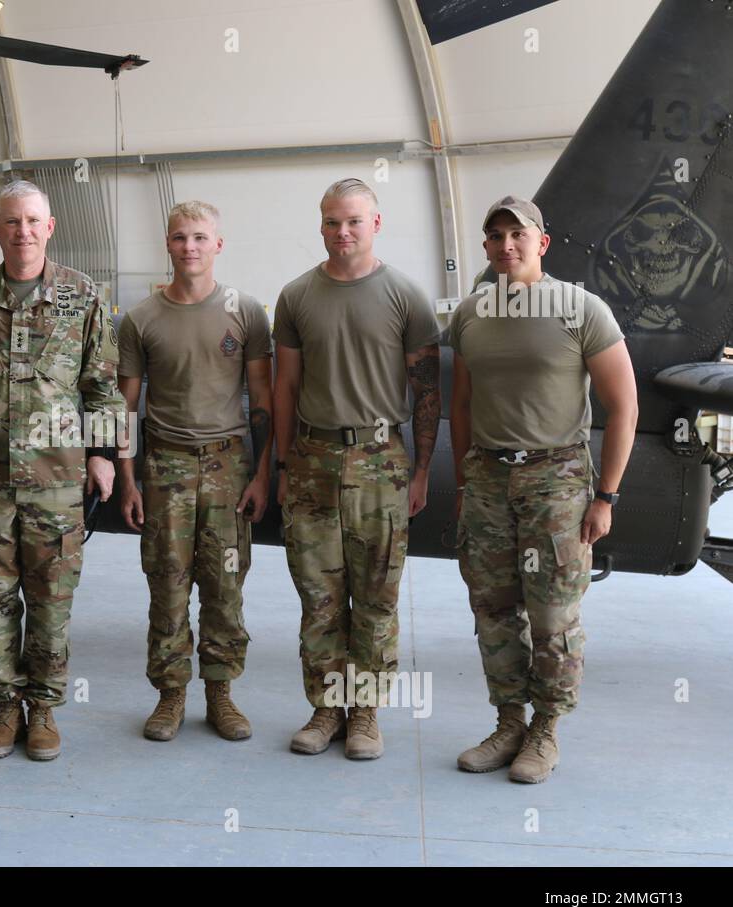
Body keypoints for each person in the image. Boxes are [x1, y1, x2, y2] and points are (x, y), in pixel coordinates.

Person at [0, 179, 124, 761]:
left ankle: (45, 710)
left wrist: (103, 456)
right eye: (12, 222)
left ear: (50, 226)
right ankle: (5, 705)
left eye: (33, 221)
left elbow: (103, 385)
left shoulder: (83, 296)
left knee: (51, 598)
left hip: (58, 480)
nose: (23, 231)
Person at [450, 195, 637, 783]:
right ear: (485, 247)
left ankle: (546, 730)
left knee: (553, 613)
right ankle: (509, 723)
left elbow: (623, 405)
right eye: (496, 236)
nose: (507, 245)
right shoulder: (472, 313)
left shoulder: (581, 309)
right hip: (487, 478)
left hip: (556, 480)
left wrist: (605, 496)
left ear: (541, 243)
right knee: (493, 609)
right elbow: (461, 403)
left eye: (518, 234)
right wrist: (464, 479)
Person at [272, 178, 441, 760]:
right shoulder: (296, 297)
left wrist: (420, 472)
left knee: (375, 596)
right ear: (320, 225)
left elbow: (426, 392)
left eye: (353, 222)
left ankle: (364, 711)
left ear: (376, 223)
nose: (341, 232)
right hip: (313, 459)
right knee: (318, 594)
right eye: (330, 222)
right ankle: (325, 709)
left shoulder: (405, 296)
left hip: (381, 464)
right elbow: (286, 385)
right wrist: (282, 463)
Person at [116, 200, 273, 742]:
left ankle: (221, 694)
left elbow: (263, 400)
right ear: (168, 244)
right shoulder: (140, 319)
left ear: (218, 245)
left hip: (228, 467)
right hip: (166, 470)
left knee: (226, 585)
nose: (190, 247)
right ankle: (170, 695)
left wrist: (261, 476)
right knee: (168, 586)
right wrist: (129, 479)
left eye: (201, 238)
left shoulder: (246, 312)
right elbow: (125, 407)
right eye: (180, 237)